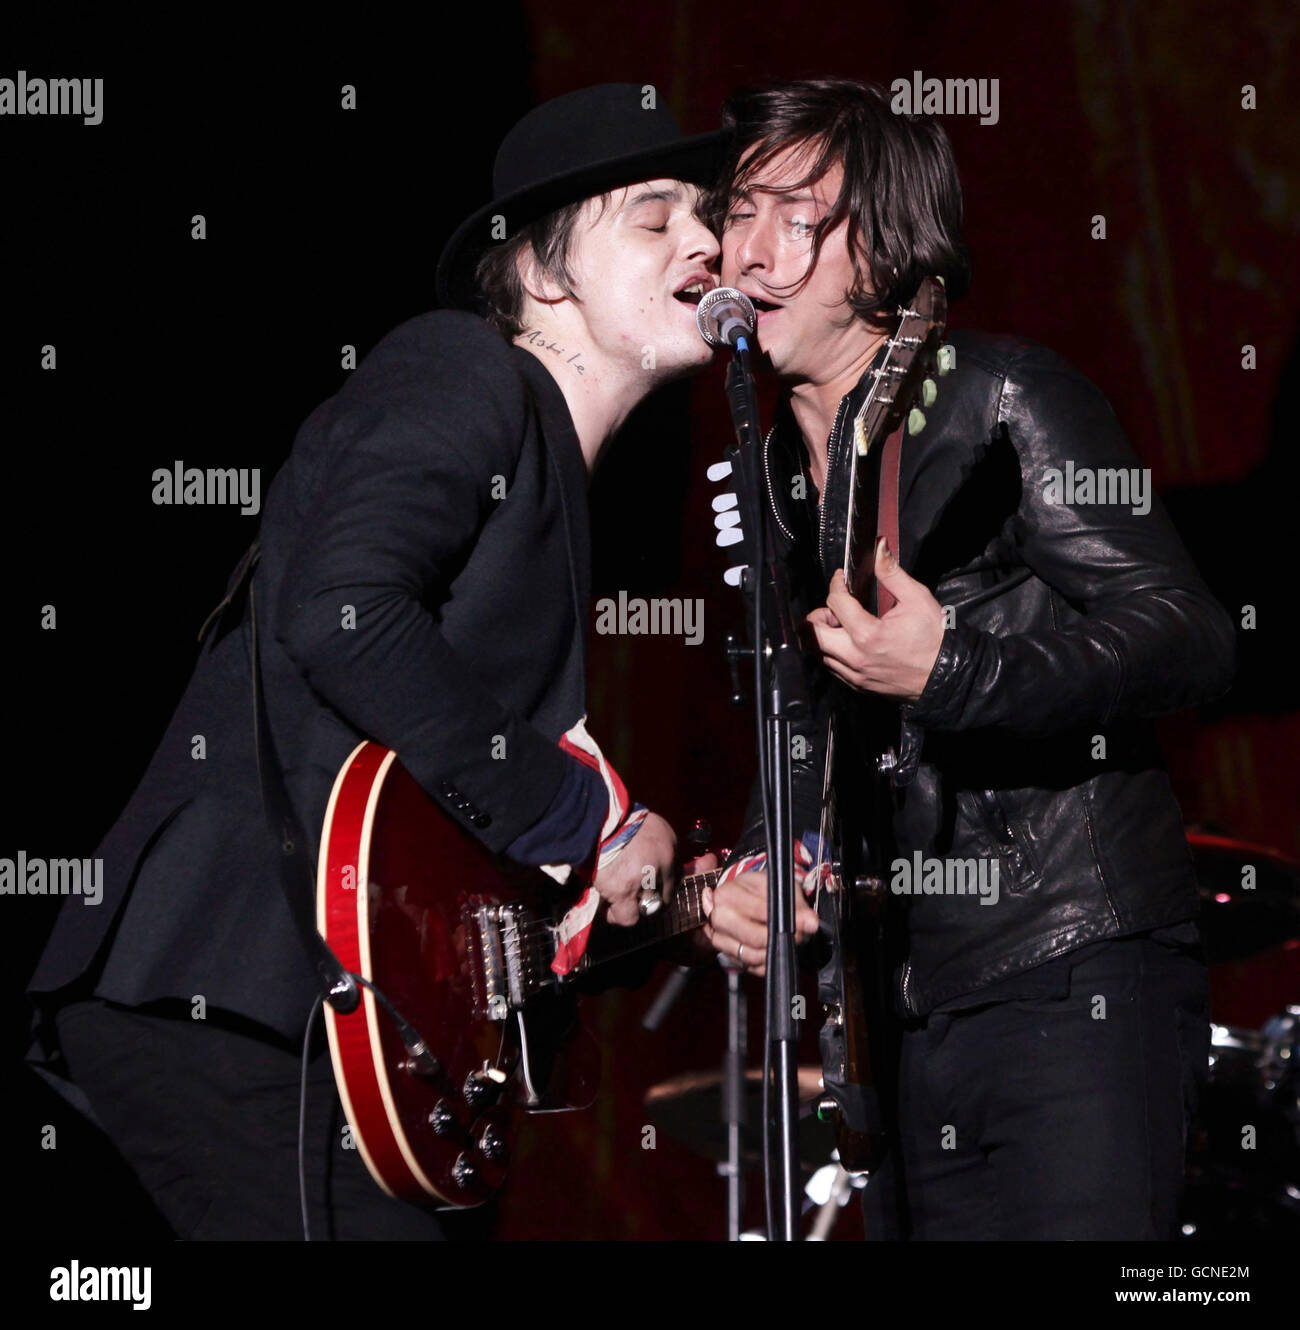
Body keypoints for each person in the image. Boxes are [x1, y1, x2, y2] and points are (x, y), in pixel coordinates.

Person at [25, 83, 727, 1240]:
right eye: (653, 216)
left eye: (706, 214)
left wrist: (681, 907)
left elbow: (450, 871)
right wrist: (591, 819)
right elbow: (343, 611)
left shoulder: (554, 499)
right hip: (247, 986)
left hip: (359, 1028)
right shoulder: (463, 366)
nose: (704, 240)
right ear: (543, 273)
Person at [698, 78, 1235, 1240]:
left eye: (799, 216)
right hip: (887, 1018)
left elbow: (1189, 631)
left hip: (1067, 967)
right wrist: (760, 860)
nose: (750, 249)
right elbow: (804, 719)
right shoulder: (769, 480)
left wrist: (956, 670)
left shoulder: (1002, 397)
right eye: (738, 211)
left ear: (888, 240)